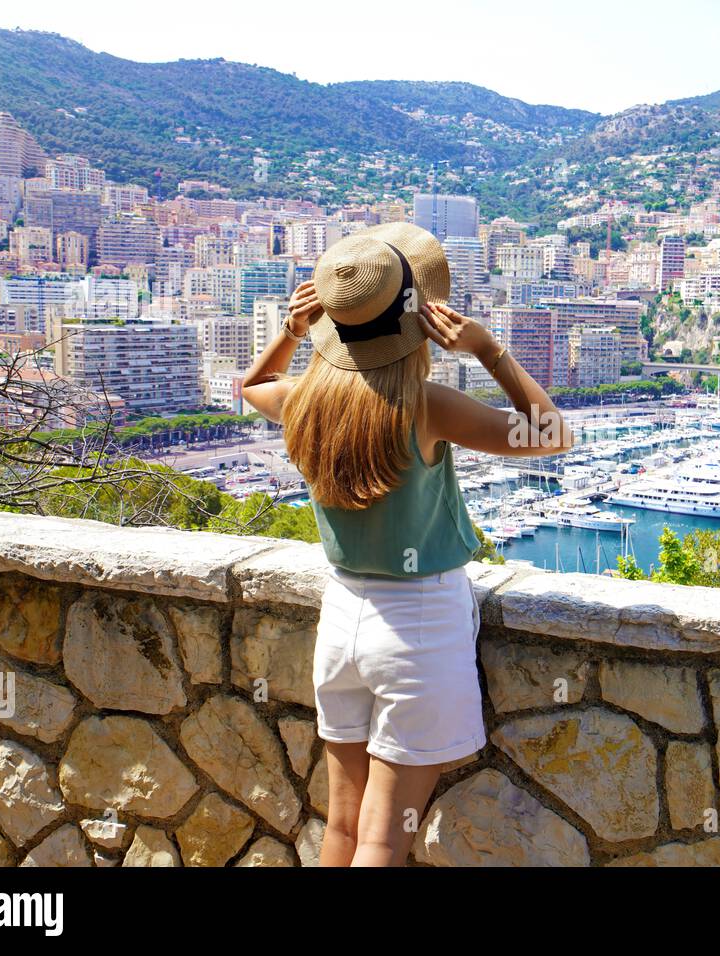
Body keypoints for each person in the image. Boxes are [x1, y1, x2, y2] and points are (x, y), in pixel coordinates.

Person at [240, 222, 573, 866]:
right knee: (385, 839)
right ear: (416, 321)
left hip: (341, 624)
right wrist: (489, 350)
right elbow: (550, 434)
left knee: (340, 827)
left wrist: (290, 331)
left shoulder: (304, 400)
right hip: (418, 627)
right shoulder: (427, 406)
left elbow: (251, 387)